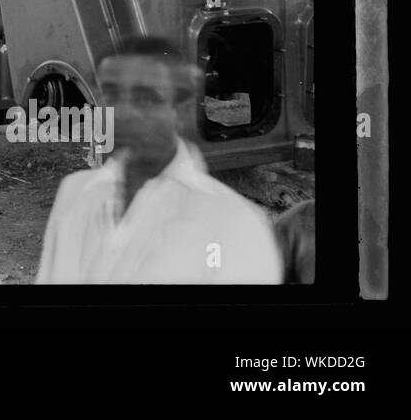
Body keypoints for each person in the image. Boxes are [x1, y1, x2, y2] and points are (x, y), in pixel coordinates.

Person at [36, 36, 282, 284]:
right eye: (111, 95)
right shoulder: (73, 193)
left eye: (146, 98)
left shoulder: (234, 221)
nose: (123, 113)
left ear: (182, 110)